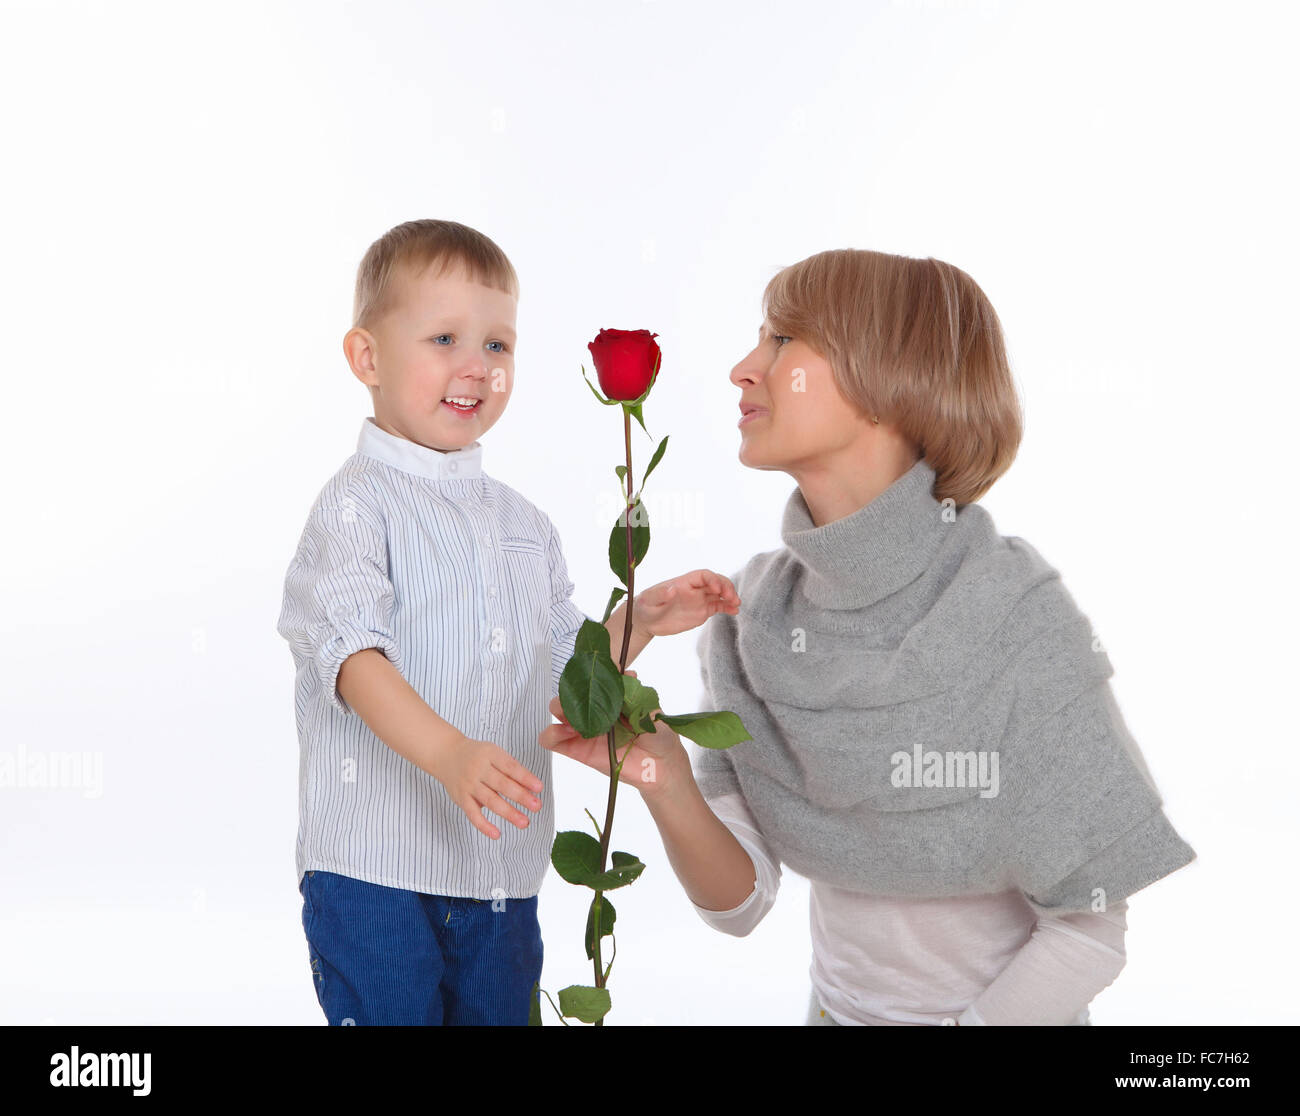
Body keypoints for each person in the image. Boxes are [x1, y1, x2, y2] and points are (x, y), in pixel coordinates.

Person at [541, 248, 1197, 1025]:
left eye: (783, 341)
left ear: (887, 379)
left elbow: (1090, 924)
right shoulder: (755, 616)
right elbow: (740, 904)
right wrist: (668, 780)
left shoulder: (1010, 612)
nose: (744, 369)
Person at [275, 219, 739, 1025]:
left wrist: (641, 620)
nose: (476, 367)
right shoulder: (355, 506)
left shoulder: (525, 523)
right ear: (367, 359)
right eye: (445, 337)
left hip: (497, 872)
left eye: (498, 345)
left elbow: (568, 675)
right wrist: (449, 752)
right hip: (373, 865)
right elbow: (355, 660)